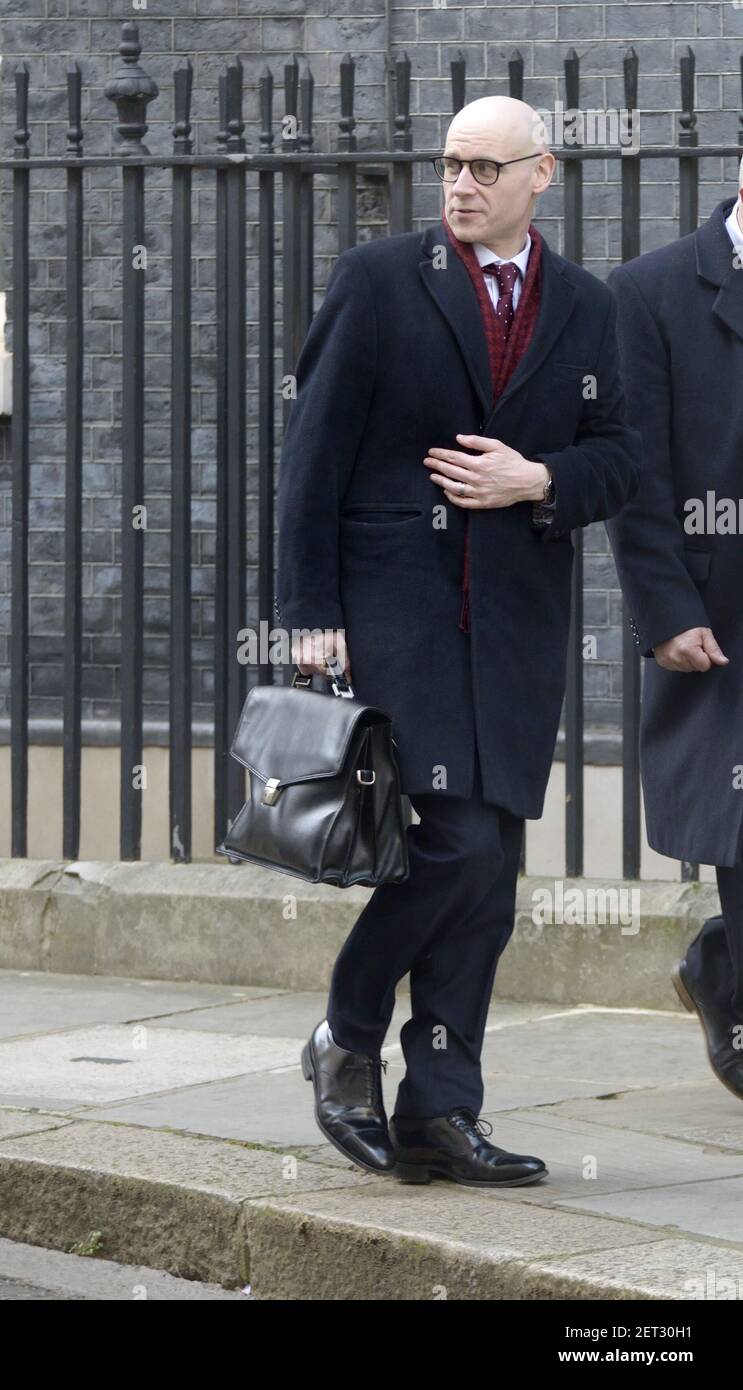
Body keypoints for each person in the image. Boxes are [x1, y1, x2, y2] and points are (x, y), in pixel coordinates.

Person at [275, 95, 640, 1185]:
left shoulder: (584, 305)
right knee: (456, 845)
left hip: (518, 630)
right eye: (450, 165)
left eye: (487, 167)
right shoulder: (380, 280)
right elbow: (312, 456)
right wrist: (307, 615)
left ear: (544, 174)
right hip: (401, 617)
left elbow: (620, 454)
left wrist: (541, 479)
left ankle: (440, 1104)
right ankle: (345, 1032)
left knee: (489, 876)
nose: (463, 185)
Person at [607, 168, 743, 1102]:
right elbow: (637, 473)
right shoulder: (650, 291)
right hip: (721, 604)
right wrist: (663, 611)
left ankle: (718, 962)